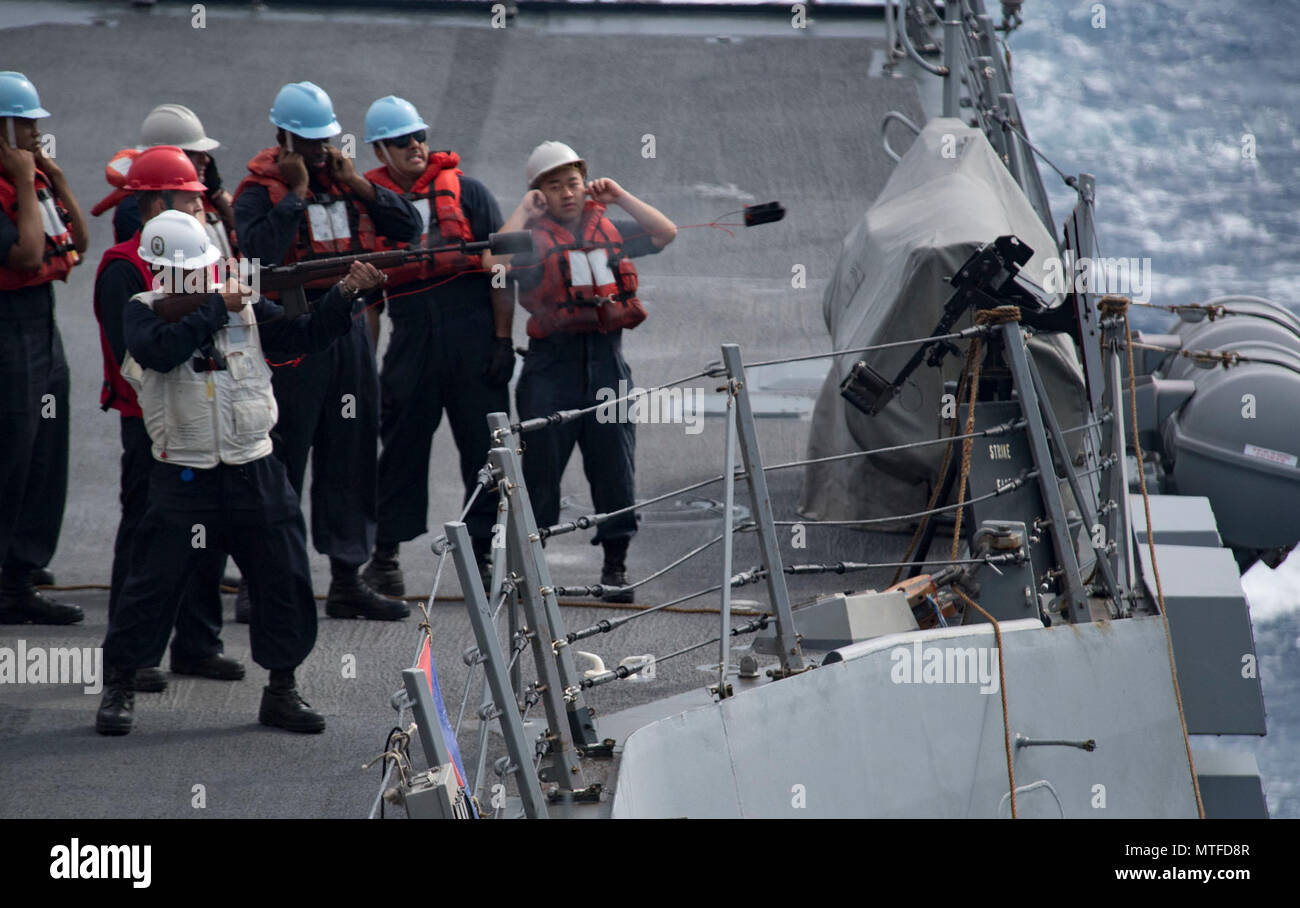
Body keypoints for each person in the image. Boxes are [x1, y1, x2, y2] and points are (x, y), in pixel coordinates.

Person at [95, 210, 387, 736]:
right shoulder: (144, 309)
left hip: (254, 466)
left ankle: (282, 687)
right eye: (186, 274)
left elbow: (303, 336)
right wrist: (214, 306)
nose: (197, 279)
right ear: (162, 271)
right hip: (183, 474)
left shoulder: (243, 305)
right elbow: (158, 352)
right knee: (151, 585)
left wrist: (345, 294)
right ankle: (119, 684)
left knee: (284, 580)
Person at [233, 81, 421, 621]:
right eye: (308, 142)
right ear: (283, 137)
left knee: (352, 451)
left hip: (350, 328)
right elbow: (258, 253)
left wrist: (358, 184)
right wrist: (292, 196)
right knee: (281, 455)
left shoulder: (343, 182)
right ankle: (259, 581)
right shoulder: (258, 190)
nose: (318, 152)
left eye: (325, 141)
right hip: (293, 329)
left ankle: (347, 578)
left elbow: (409, 226)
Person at [93, 146, 243, 692]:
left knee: (207, 538)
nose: (200, 209)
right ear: (158, 203)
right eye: (189, 198)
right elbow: (137, 353)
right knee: (147, 542)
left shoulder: (200, 256)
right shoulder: (124, 269)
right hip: (150, 423)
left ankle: (198, 645)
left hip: (203, 419)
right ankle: (131, 658)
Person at [501, 142, 676, 601]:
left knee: (614, 468)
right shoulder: (530, 238)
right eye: (553, 186)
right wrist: (522, 209)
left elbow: (664, 233)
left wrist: (619, 196)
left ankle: (615, 569)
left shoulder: (609, 228)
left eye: (573, 183)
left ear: (585, 184)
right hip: (549, 368)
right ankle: (531, 572)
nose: (566, 193)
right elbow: (492, 264)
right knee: (539, 471)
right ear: (539, 194)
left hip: (606, 363)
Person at [356, 96, 514, 597]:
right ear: (381, 149)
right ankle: (385, 558)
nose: (416, 147)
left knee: (487, 454)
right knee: (399, 450)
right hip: (411, 339)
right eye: (402, 141)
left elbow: (501, 271)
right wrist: (368, 368)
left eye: (420, 136)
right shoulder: (370, 204)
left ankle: (484, 556)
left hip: (473, 336)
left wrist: (503, 341)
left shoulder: (470, 192)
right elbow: (370, 302)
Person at [0, 71, 88, 623]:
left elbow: (76, 241)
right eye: (25, 124)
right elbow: (29, 257)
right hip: (7, 326)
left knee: (45, 451)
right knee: (11, 452)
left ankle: (21, 573)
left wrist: (49, 177)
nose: (35, 134)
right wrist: (25, 180)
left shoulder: (33, 178)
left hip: (41, 324)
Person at [93, 104, 237, 256]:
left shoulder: (202, 198)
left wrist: (217, 193)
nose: (206, 160)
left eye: (205, 153)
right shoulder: (137, 207)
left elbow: (242, 234)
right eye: (195, 153)